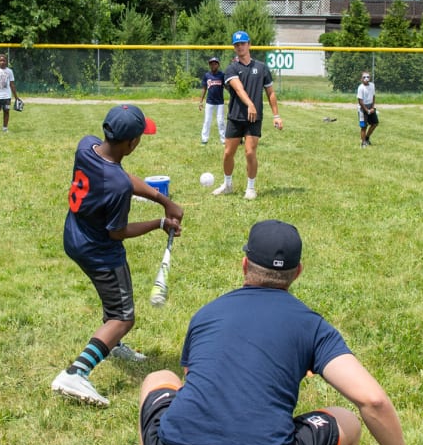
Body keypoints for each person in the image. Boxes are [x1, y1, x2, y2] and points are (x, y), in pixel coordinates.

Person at [138, 220, 417, 445]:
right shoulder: (311, 325)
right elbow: (373, 400)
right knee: (347, 422)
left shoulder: (206, 314)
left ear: (245, 264)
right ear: (297, 273)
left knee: (157, 379)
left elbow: (192, 381)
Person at [52, 104, 185, 407]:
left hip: (75, 236)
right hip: (100, 251)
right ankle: (76, 372)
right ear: (132, 144)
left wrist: (162, 199)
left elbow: (121, 175)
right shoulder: (117, 187)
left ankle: (112, 344)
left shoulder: (87, 145)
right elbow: (118, 232)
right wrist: (159, 223)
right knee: (122, 316)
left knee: (112, 300)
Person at [212, 31, 282, 200]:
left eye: (243, 43)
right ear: (234, 48)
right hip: (236, 116)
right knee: (228, 153)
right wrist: (250, 104)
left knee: (250, 152)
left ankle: (250, 188)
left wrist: (276, 116)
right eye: (237, 45)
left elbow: (270, 93)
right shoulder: (231, 69)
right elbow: (238, 89)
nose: (240, 47)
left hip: (253, 118)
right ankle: (227, 184)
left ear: (249, 44)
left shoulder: (262, 68)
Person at [0, 54, 20, 133]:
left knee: (6, 111)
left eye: (4, 60)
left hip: (7, 96)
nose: (2, 62)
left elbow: (12, 84)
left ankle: (5, 128)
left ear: (6, 62)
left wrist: (16, 97)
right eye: (0, 60)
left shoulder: (9, 71)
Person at [198, 57, 226, 145]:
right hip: (209, 102)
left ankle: (223, 140)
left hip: (220, 102)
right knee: (207, 121)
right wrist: (200, 101)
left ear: (218, 65)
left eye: (215, 63)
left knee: (221, 121)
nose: (213, 65)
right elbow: (204, 88)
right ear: (209, 65)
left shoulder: (222, 75)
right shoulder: (207, 75)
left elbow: (226, 86)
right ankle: (204, 139)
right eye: (211, 63)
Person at [357, 71, 379, 148]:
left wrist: (373, 107)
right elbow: (360, 101)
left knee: (375, 123)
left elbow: (373, 96)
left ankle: (366, 138)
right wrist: (367, 110)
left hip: (370, 106)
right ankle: (363, 143)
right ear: (361, 79)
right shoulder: (360, 88)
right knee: (364, 126)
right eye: (364, 77)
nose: (366, 78)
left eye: (368, 77)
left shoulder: (372, 85)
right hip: (363, 108)